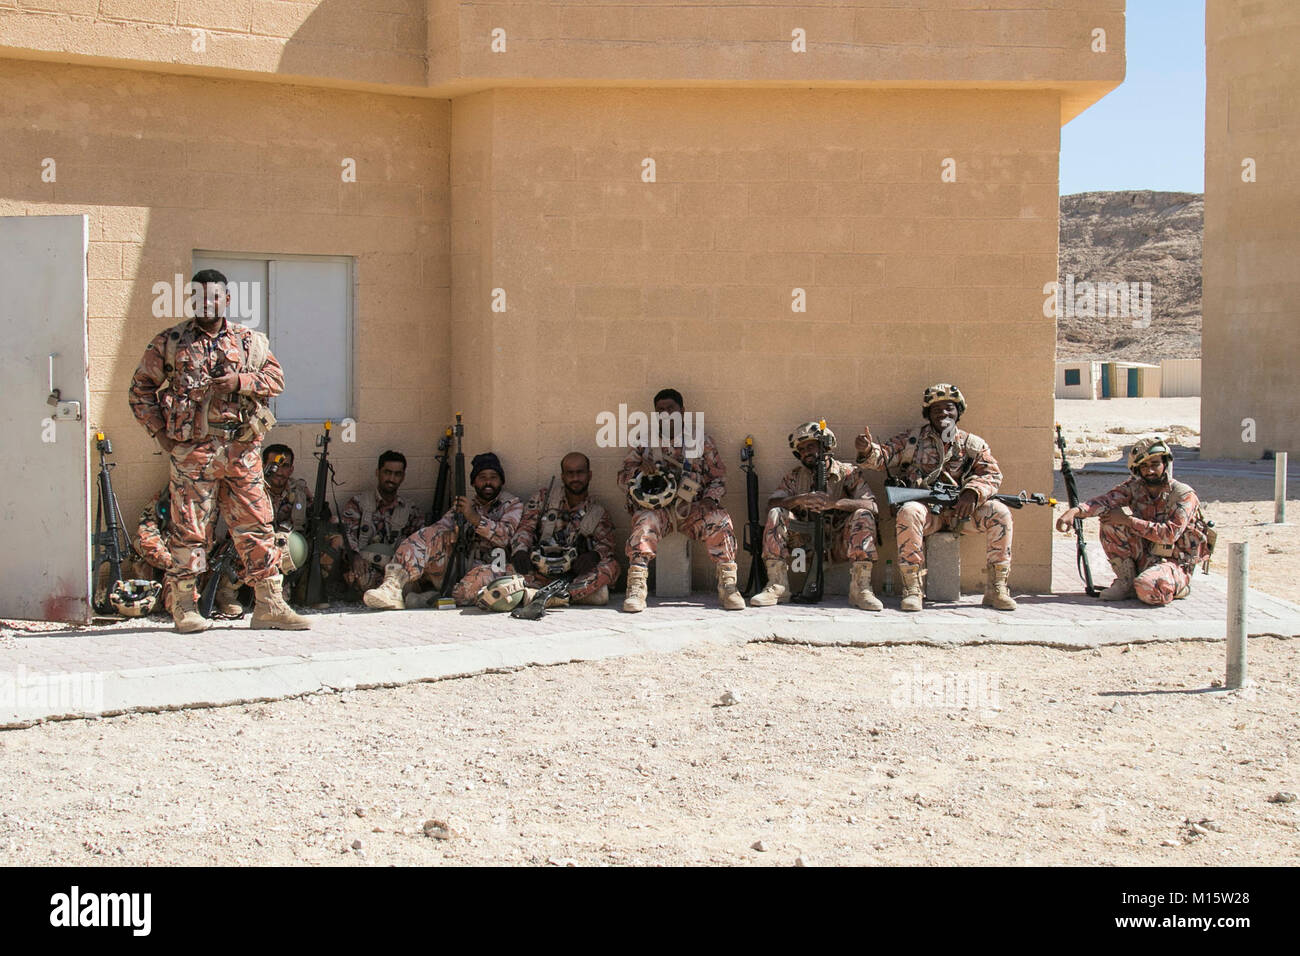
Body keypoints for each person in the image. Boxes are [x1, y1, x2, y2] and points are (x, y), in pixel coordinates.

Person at [127, 269, 308, 632]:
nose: (207, 303)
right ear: (192, 300)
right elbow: (141, 389)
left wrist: (240, 381)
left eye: (214, 297)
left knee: (257, 526)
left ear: (226, 300)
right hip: (194, 453)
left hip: (241, 450)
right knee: (189, 531)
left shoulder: (247, 342)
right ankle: (184, 607)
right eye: (199, 297)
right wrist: (162, 436)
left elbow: (277, 380)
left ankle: (269, 604)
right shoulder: (171, 342)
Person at [855, 383, 1016, 612]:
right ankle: (912, 589)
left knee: (999, 512)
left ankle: (996, 588)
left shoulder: (971, 444)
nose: (943, 414)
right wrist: (866, 450)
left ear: (958, 411)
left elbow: (992, 474)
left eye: (949, 408)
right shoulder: (913, 440)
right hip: (927, 513)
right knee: (909, 510)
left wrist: (972, 493)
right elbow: (882, 458)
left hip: (961, 513)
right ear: (928, 414)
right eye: (936, 410)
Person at [617, 388, 744, 613]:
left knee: (720, 519)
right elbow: (621, 478)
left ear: (682, 411)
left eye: (670, 409)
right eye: (660, 410)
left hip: (693, 508)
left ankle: (729, 586)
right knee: (643, 522)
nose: (665, 414)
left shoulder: (702, 442)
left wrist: (709, 501)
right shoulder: (644, 443)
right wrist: (639, 471)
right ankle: (636, 587)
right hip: (658, 512)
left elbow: (718, 478)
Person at [1055, 436, 1212, 605]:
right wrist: (1076, 511)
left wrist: (1129, 521)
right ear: (1137, 469)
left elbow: (1169, 535)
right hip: (1147, 555)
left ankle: (1176, 586)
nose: (1150, 471)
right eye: (1144, 466)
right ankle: (1127, 582)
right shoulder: (1135, 487)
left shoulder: (1183, 495)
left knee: (1147, 589)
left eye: (1155, 464)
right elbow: (1107, 500)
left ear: (1165, 464)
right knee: (1110, 521)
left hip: (1176, 562)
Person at [749, 421, 882, 611]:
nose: (806, 452)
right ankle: (777, 585)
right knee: (776, 513)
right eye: (801, 449)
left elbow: (873, 506)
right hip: (804, 548)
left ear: (825, 447)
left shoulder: (848, 473)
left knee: (864, 515)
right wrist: (799, 500)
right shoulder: (795, 477)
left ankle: (861, 589)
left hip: (839, 544)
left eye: (810, 446)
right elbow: (771, 503)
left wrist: (835, 504)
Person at [364, 452, 524, 609]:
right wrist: (448, 532)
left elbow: (504, 537)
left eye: (493, 477)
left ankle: (431, 599)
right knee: (429, 535)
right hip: (460, 561)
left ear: (501, 481)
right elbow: (438, 528)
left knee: (466, 591)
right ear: (474, 482)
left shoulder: (512, 504)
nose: (488, 482)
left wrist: (474, 518)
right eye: (482, 477)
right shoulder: (466, 505)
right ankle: (392, 586)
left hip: (493, 566)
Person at [508, 452, 619, 607]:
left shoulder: (598, 513)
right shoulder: (543, 499)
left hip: (572, 574)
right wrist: (520, 550)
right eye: (570, 473)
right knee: (503, 570)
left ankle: (544, 596)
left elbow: (606, 546)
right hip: (539, 569)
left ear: (589, 475)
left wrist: (594, 555)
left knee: (611, 567)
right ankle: (578, 596)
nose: (575, 478)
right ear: (562, 476)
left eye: (580, 472)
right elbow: (525, 528)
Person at [337, 450, 424, 599]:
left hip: (396, 570)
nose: (391, 478)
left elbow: (420, 543)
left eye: (397, 474)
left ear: (403, 477)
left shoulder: (410, 510)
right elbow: (347, 534)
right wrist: (355, 556)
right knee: (359, 576)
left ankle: (390, 594)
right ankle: (390, 595)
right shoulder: (359, 503)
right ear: (378, 473)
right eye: (387, 472)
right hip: (365, 567)